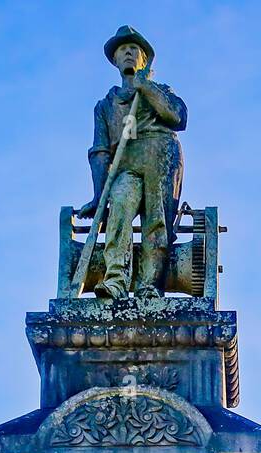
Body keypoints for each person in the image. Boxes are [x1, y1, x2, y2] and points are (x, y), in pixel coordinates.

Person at [78, 26, 187, 299]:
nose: (128, 52)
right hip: (126, 162)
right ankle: (115, 279)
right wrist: (98, 192)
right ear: (115, 60)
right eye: (122, 49)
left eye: (134, 49)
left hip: (160, 154)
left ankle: (150, 285)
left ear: (144, 59)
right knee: (120, 207)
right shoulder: (105, 105)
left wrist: (146, 87)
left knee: (157, 220)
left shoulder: (158, 90)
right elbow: (100, 151)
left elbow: (178, 117)